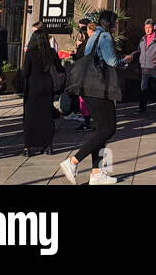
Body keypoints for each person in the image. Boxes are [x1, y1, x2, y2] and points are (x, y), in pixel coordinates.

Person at [58, 12, 132, 185]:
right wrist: (126, 60)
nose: (116, 27)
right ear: (110, 23)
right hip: (99, 87)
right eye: (115, 23)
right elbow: (112, 61)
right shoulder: (105, 36)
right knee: (109, 128)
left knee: (101, 129)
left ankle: (97, 173)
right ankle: (73, 161)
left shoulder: (94, 35)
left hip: (90, 87)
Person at [21, 27, 63, 155]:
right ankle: (48, 145)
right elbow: (59, 68)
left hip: (33, 85)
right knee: (46, 115)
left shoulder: (30, 53)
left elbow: (25, 72)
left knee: (30, 116)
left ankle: (28, 146)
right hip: (47, 84)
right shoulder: (50, 52)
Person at [133, 19, 156, 114]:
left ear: (153, 28)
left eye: (149, 28)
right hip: (144, 67)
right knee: (143, 88)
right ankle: (142, 108)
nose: (148, 30)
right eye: (146, 28)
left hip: (154, 67)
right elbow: (139, 52)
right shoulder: (143, 38)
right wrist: (137, 65)